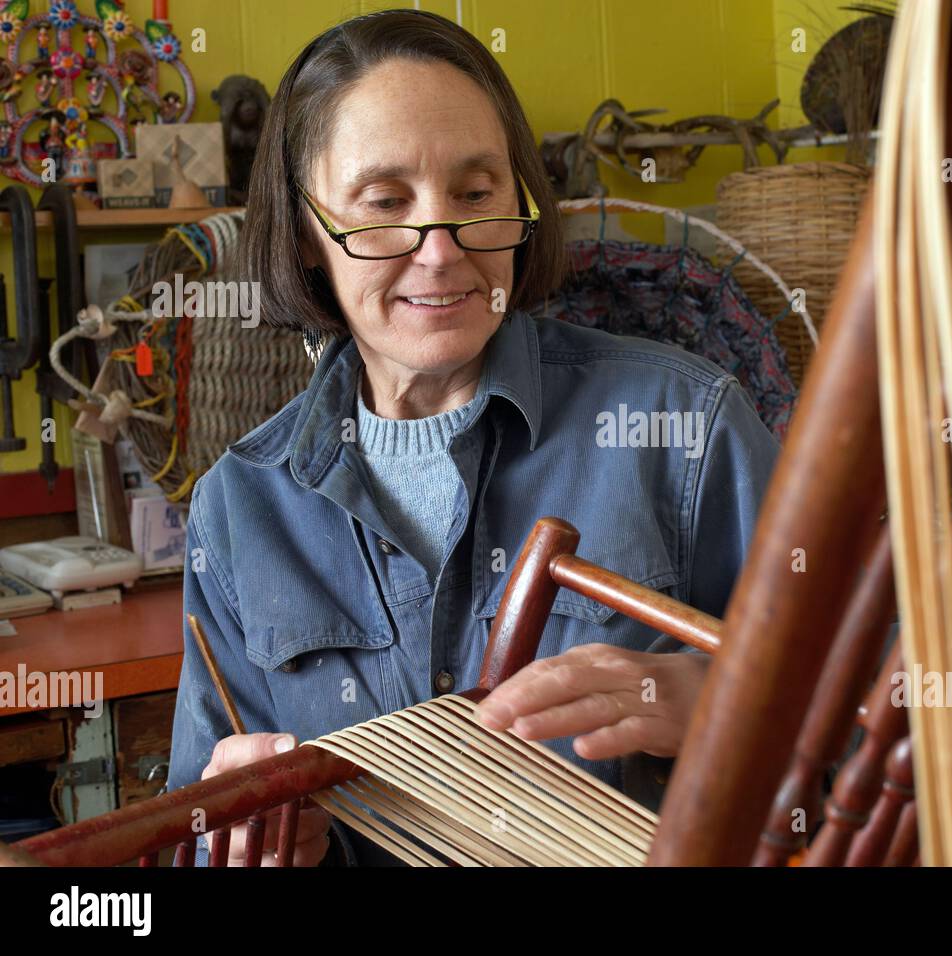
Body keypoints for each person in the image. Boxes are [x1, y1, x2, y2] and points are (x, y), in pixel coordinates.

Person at [166, 9, 780, 865]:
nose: (441, 248)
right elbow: (192, 826)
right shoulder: (241, 507)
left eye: (477, 192)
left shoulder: (685, 427)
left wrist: (726, 705)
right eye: (385, 204)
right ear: (309, 232)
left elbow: (887, 716)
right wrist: (236, 839)